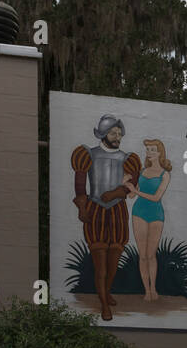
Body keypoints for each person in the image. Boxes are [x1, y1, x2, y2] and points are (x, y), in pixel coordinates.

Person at [71, 115, 140, 319]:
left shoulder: (128, 158)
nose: (117, 136)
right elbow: (80, 186)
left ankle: (106, 292)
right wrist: (82, 208)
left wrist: (118, 193)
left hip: (118, 210)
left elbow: (132, 184)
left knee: (114, 261)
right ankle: (104, 304)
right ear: (103, 133)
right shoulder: (88, 154)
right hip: (96, 209)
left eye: (119, 133)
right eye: (113, 133)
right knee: (100, 261)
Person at [127, 139, 171, 302]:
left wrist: (135, 192)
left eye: (152, 150)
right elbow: (131, 194)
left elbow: (156, 197)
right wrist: (126, 182)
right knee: (143, 255)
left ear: (160, 153)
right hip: (139, 213)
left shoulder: (164, 174)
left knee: (151, 254)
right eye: (148, 149)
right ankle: (147, 290)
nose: (149, 152)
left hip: (156, 214)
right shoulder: (142, 171)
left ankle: (154, 289)